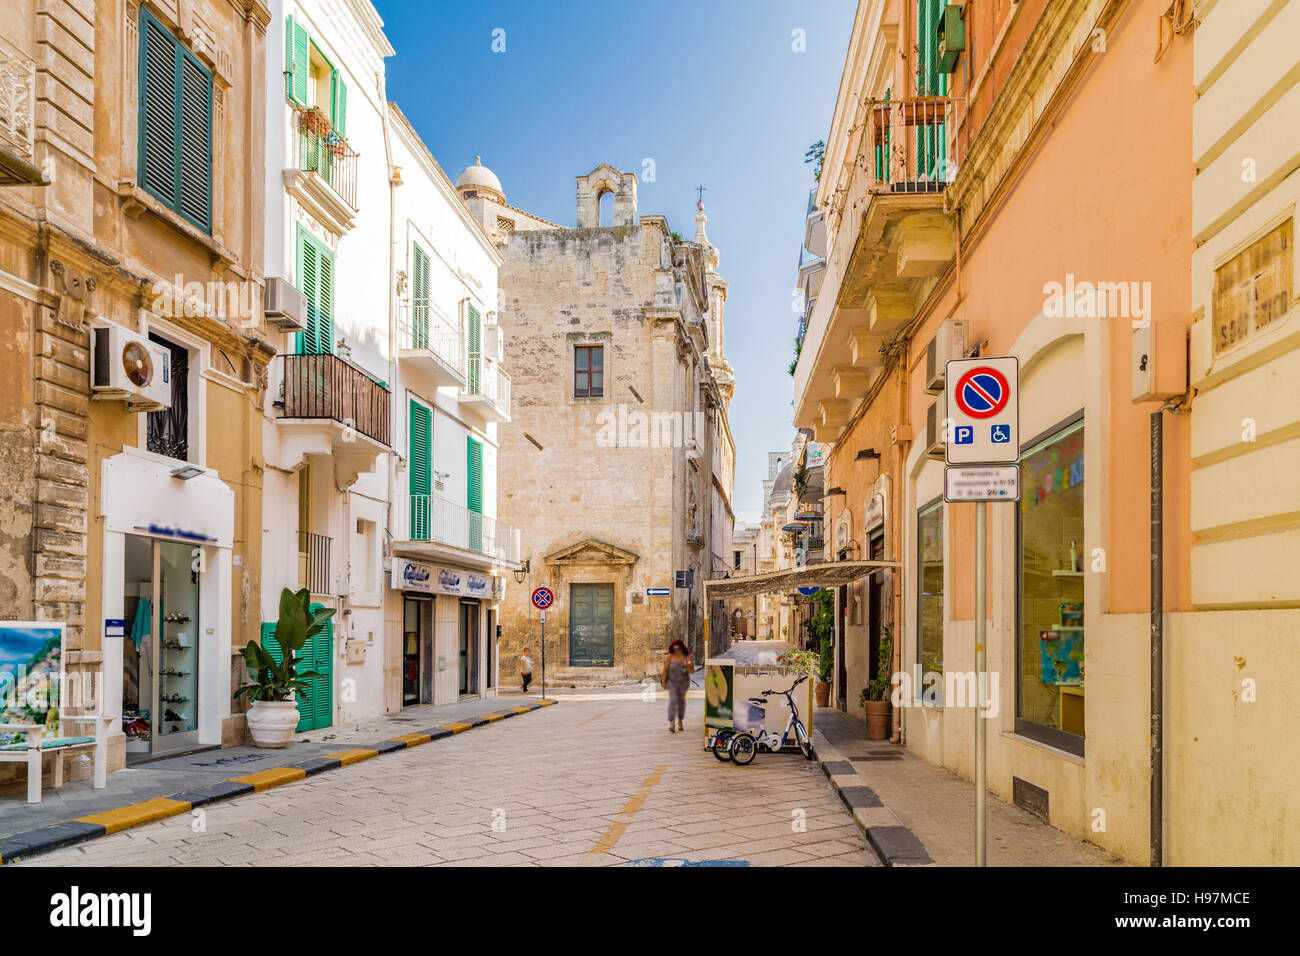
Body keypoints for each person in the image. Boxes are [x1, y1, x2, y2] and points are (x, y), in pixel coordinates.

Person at [661, 639, 694, 733]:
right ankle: (672, 723)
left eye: (679, 649)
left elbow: (692, 671)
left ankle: (680, 720)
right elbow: (665, 670)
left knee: (681, 702)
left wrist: (687, 665)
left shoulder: (686, 657)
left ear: (682, 649)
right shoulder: (669, 657)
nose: (677, 651)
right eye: (675, 649)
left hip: (683, 682)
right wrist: (663, 681)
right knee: (673, 700)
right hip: (672, 682)